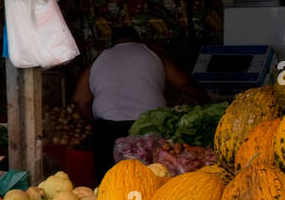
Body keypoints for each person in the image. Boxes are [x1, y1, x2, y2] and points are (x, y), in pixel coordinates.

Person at [73, 25, 204, 183]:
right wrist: (205, 100)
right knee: (153, 180)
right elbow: (183, 83)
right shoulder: (154, 54)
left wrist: (96, 125)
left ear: (112, 42)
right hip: (150, 128)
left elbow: (80, 101)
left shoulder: (98, 60)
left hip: (108, 131)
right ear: (139, 39)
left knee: (108, 183)